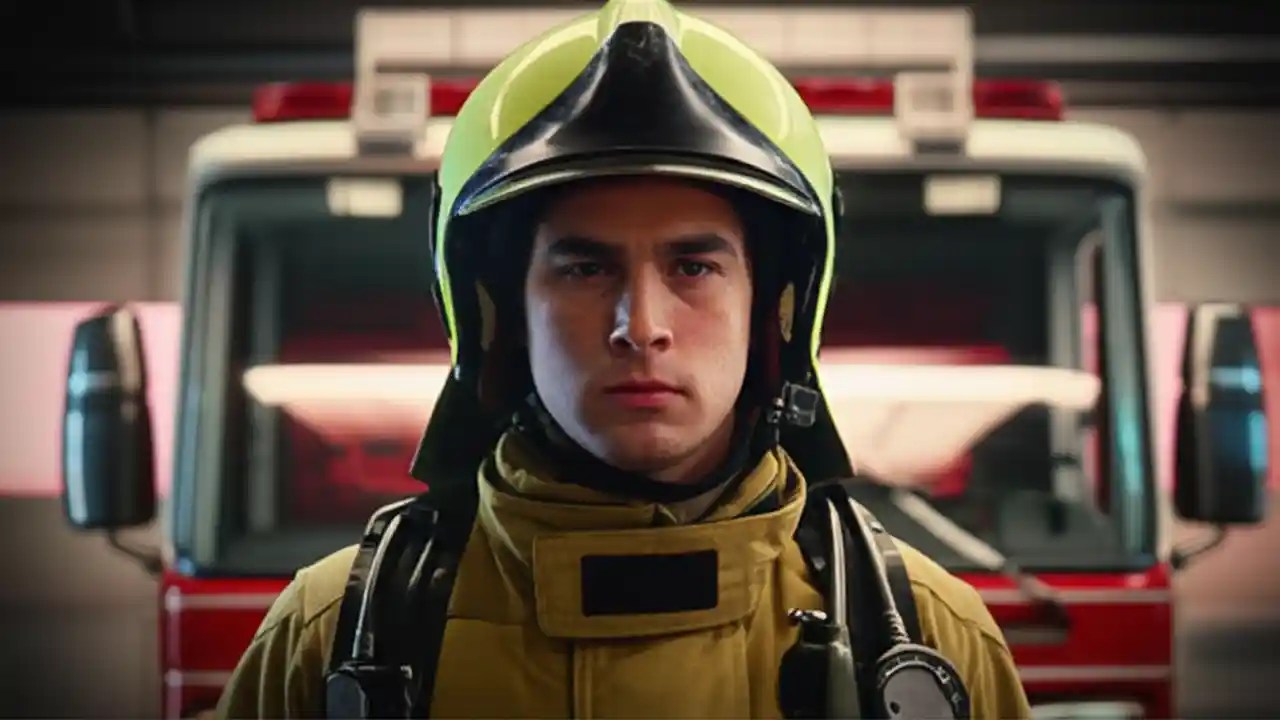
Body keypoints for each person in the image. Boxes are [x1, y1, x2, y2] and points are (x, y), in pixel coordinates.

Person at [215, 0, 1031, 717]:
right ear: (500, 313)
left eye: (693, 267)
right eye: (584, 268)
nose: (641, 327)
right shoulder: (329, 640)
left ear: (773, 310)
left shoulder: (935, 638)